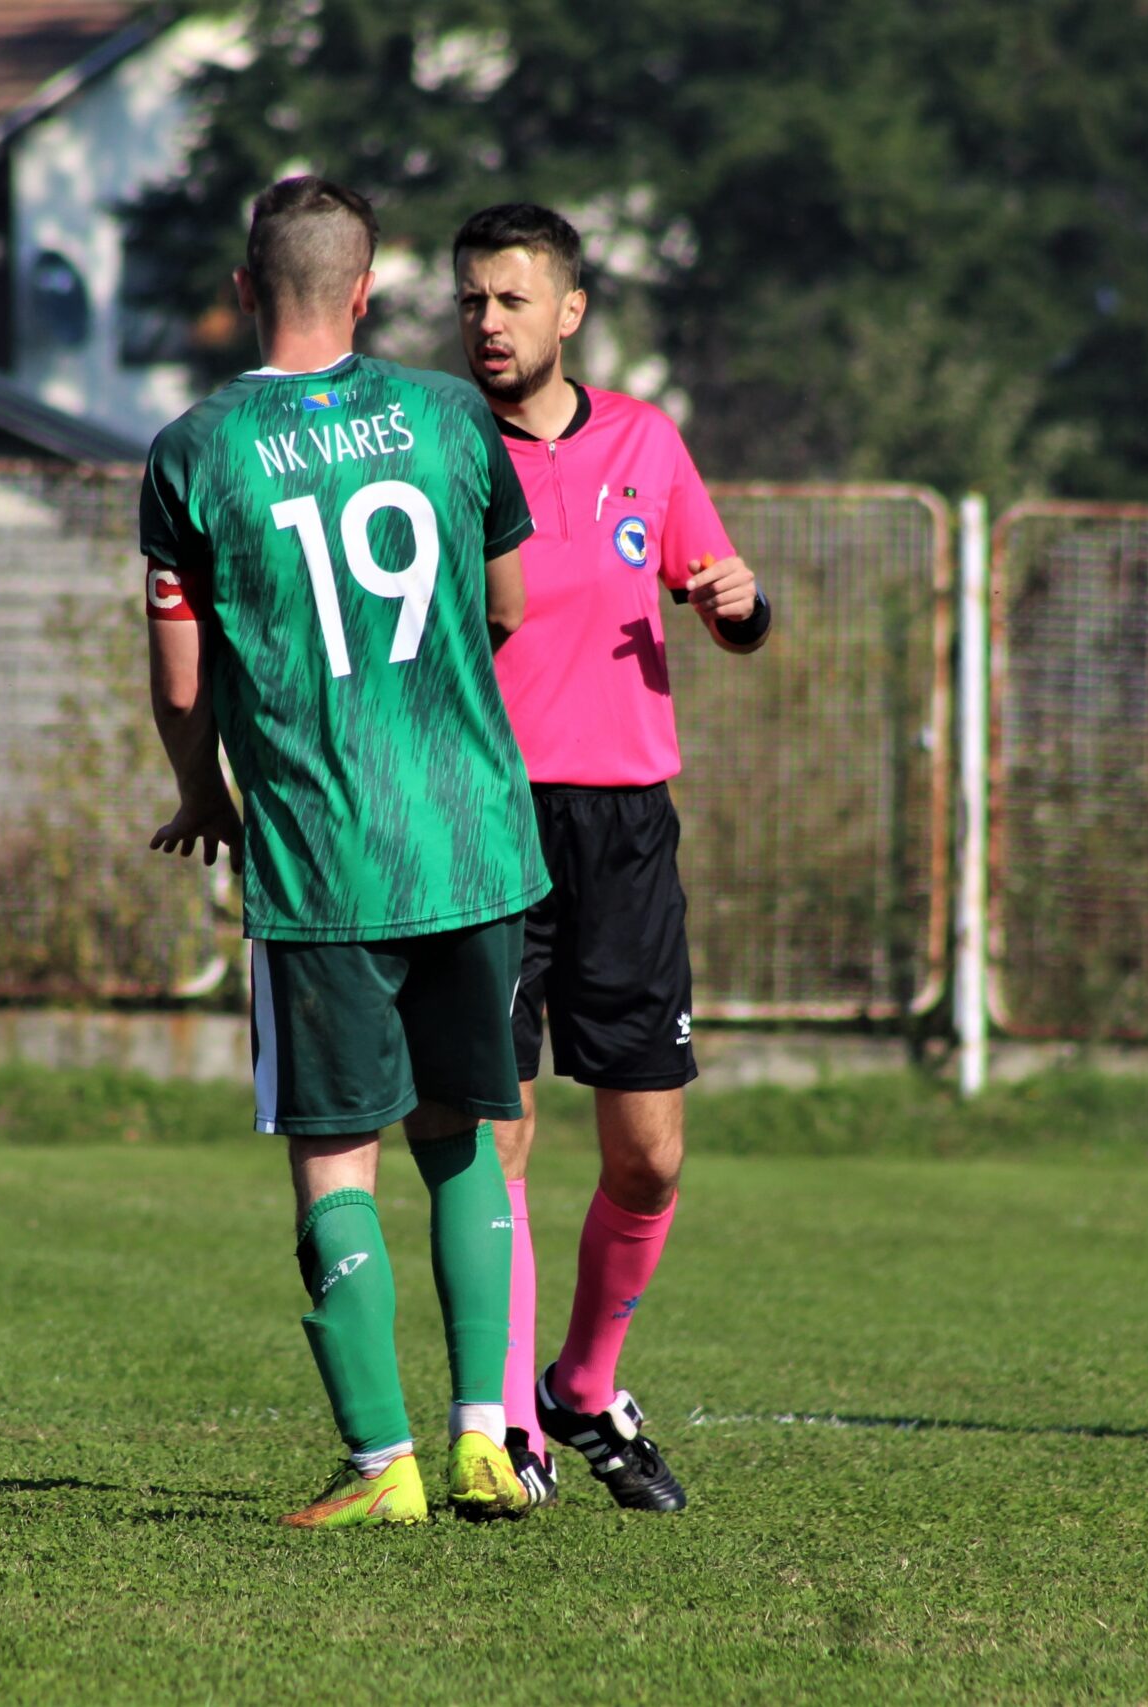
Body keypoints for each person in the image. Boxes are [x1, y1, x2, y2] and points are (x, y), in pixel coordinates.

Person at [142, 176, 549, 1529]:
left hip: (321, 856)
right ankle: (489, 1435)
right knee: (463, 1139)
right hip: (471, 839)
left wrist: (203, 784)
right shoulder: (448, 414)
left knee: (334, 1156)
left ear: (250, 291)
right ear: (367, 289)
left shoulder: (196, 448)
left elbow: (182, 665)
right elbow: (506, 600)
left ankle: (385, 1466)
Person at [449, 203, 770, 1511]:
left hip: (628, 824)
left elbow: (714, 584)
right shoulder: (439, 453)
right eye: (472, 299)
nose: (486, 322)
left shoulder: (646, 438)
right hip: (489, 817)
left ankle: (583, 1385)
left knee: (649, 1154)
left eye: (512, 299)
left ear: (569, 312)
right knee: (502, 1133)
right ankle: (506, 1421)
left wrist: (740, 606)